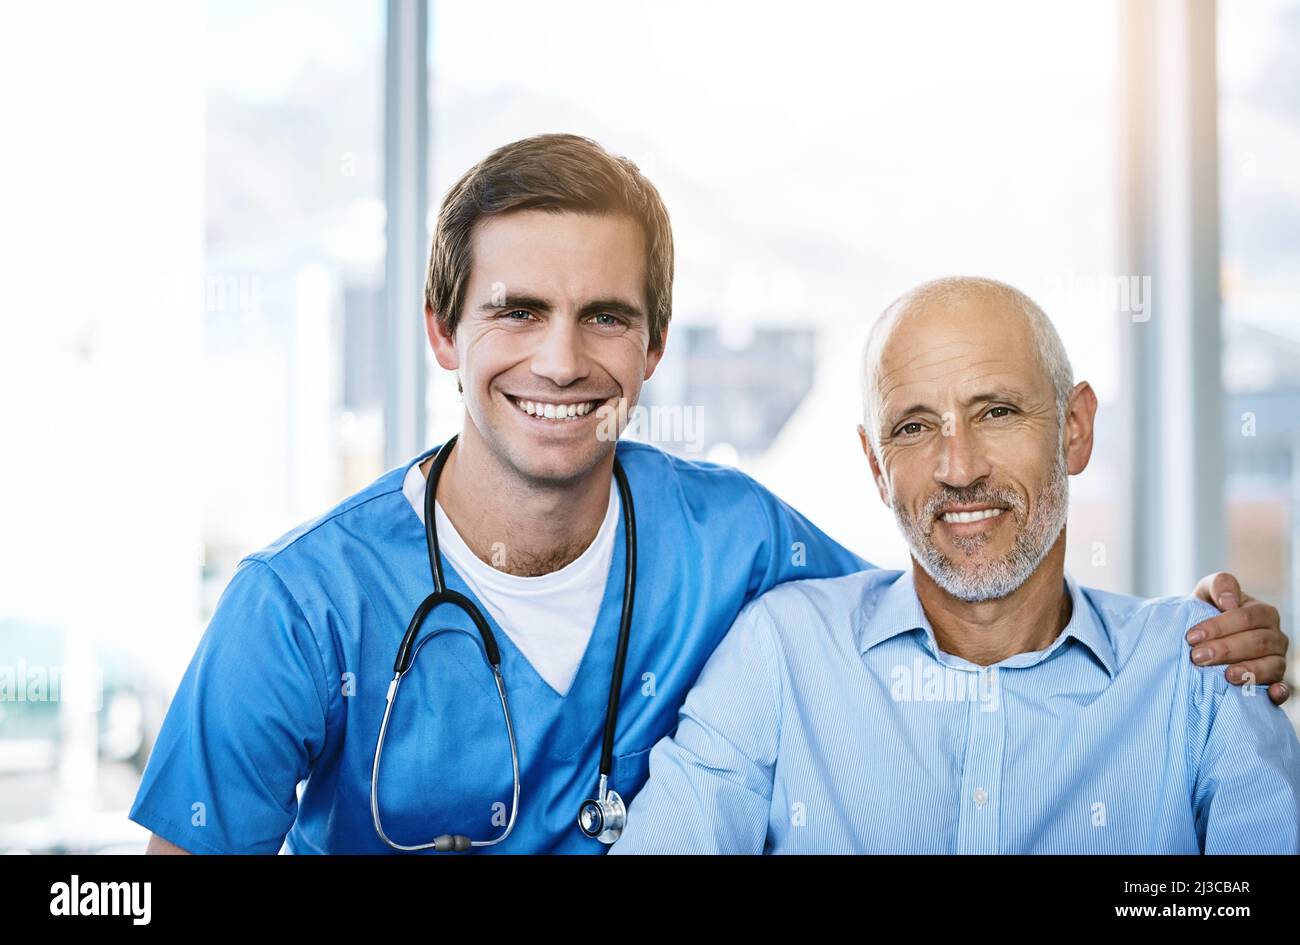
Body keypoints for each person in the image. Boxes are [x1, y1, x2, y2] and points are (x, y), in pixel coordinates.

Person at [131, 137, 1289, 854]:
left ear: (655, 347)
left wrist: (1189, 642)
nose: (560, 360)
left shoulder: (737, 546)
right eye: (516, 310)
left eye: (605, 318)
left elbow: (968, 576)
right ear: (443, 331)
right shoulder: (298, 606)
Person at [609, 277, 1300, 854]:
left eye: (996, 411)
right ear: (877, 466)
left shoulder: (1201, 670)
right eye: (913, 426)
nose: (959, 467)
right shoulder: (781, 653)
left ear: (1075, 429)